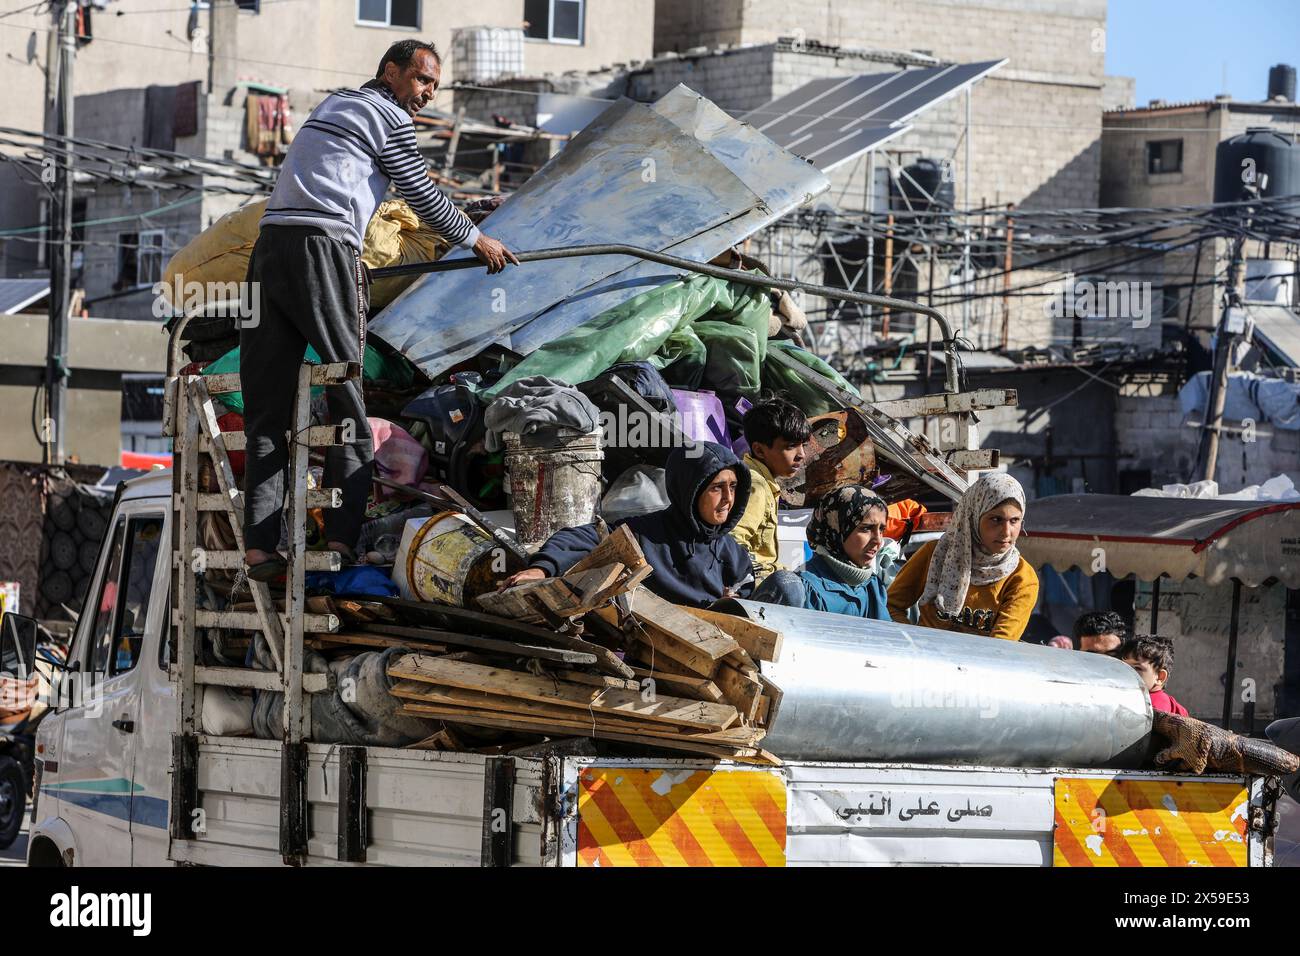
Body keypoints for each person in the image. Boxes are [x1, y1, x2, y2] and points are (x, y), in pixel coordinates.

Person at [240, 40, 517, 581]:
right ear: (390, 72)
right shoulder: (389, 116)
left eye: (434, 85)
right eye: (421, 79)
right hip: (322, 252)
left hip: (269, 251)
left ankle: (259, 551)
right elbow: (420, 193)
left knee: (266, 415)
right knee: (350, 408)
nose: (427, 93)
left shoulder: (335, 104)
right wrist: (476, 239)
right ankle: (342, 543)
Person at [500, 443, 755, 608]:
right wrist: (542, 569)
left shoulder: (731, 552)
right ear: (689, 491)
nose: (728, 499)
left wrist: (736, 601)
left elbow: (745, 588)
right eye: (716, 488)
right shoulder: (646, 534)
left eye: (733, 487)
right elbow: (580, 538)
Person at [886, 473, 1039, 641]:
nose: (1006, 532)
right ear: (973, 516)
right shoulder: (935, 553)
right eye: (996, 519)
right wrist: (914, 641)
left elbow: (1000, 645)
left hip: (978, 665)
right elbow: (891, 605)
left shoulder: (1022, 578)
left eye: (1014, 521)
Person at [752, 485, 895, 619]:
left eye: (881, 529)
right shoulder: (798, 590)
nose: (878, 540)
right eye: (866, 528)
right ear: (836, 529)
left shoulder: (874, 588)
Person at [730, 398, 810, 582]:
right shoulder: (755, 486)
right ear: (759, 450)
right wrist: (770, 575)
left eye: (802, 445)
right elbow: (733, 542)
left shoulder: (764, 482)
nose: (801, 455)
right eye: (790, 446)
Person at [1119, 634, 1189, 715]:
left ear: (1160, 677)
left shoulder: (1151, 706)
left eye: (1137, 668)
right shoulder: (1170, 703)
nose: (1128, 672)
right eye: (1125, 666)